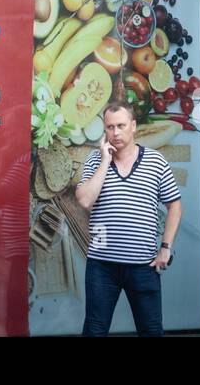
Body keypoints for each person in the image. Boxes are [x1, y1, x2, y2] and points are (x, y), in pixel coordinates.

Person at [74, 100, 182, 336]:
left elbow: (174, 205)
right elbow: (84, 200)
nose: (115, 132)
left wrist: (166, 247)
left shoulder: (156, 162)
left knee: (151, 331)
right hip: (102, 266)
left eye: (121, 125)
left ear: (133, 126)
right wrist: (105, 161)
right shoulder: (95, 161)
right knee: (94, 329)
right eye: (110, 127)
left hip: (143, 266)